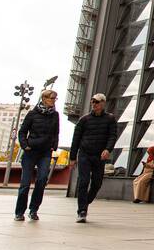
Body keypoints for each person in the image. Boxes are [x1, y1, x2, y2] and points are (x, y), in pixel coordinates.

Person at [69, 93, 117, 223]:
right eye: (92, 102)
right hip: (84, 154)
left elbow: (112, 136)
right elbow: (76, 139)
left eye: (97, 102)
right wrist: (72, 158)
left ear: (103, 103)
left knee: (97, 183)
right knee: (83, 181)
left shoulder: (110, 119)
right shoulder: (84, 120)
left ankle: (86, 201)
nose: (94, 104)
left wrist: (108, 149)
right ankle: (82, 211)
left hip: (99, 156)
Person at [14, 88, 60, 222]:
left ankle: (33, 210)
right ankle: (19, 212)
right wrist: (25, 145)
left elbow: (56, 133)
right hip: (30, 152)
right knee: (25, 184)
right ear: (44, 99)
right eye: (51, 98)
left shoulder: (55, 115)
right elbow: (22, 132)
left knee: (42, 180)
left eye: (54, 99)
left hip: (45, 152)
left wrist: (54, 146)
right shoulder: (32, 114)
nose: (53, 101)